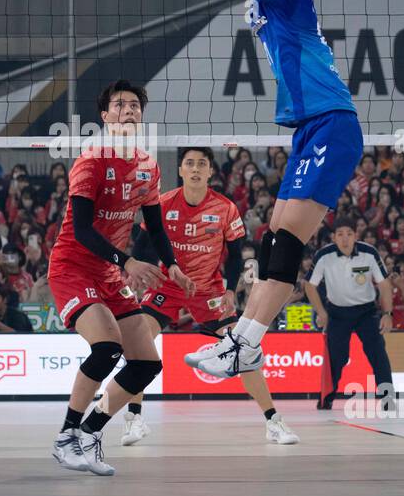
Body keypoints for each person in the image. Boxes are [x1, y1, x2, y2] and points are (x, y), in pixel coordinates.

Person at [126, 0, 364, 380]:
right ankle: (244, 341)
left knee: (288, 242)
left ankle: (245, 343)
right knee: (276, 237)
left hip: (332, 125)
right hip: (310, 129)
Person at [46, 80, 192, 476]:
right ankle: (65, 438)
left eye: (134, 105)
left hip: (110, 273)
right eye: (120, 105)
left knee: (146, 364)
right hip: (73, 268)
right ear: (106, 117)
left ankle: (90, 433)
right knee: (107, 348)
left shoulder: (148, 164)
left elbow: (156, 227)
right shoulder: (90, 161)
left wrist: (172, 264)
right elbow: (81, 230)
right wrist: (128, 263)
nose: (129, 110)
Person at [125, 147, 297, 446]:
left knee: (243, 350)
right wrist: (147, 273)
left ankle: (273, 421)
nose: (194, 169)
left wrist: (230, 288)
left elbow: (235, 254)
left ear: (210, 172)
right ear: (180, 170)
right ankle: (134, 418)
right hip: (167, 286)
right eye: (189, 163)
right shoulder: (163, 203)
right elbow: (140, 248)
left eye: (201, 164)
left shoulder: (225, 207)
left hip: (209, 291)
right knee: (140, 342)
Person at [305, 216, 395, 411]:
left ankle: (388, 398)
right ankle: (326, 398)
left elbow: (384, 284)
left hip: (366, 312)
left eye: (349, 234)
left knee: (378, 353)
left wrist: (388, 313)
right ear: (333, 237)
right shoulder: (324, 256)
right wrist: (321, 312)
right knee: (336, 357)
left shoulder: (369, 253)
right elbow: (309, 285)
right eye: (340, 234)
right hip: (337, 313)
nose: (345, 239)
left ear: (356, 235)